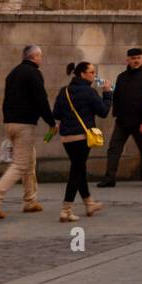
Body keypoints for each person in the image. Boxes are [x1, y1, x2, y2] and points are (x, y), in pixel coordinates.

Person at [0, 44, 55, 220]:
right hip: (24, 124)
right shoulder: (34, 73)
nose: (41, 59)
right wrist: (51, 121)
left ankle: (30, 201)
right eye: (41, 56)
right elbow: (41, 99)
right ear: (35, 56)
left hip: (11, 123)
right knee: (20, 164)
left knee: (30, 161)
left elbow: (7, 99)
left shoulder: (13, 73)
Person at [52, 62, 113, 222]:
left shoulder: (63, 91)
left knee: (79, 169)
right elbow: (104, 112)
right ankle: (66, 209)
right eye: (91, 72)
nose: (94, 75)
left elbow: (56, 113)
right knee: (76, 171)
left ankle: (89, 203)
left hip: (66, 138)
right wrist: (107, 94)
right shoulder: (90, 92)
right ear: (82, 74)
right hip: (82, 138)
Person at [97, 48, 142, 188]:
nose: (136, 60)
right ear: (127, 60)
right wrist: (116, 112)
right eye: (133, 58)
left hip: (140, 121)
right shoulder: (121, 77)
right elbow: (117, 96)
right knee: (113, 149)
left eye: (138, 58)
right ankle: (109, 178)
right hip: (122, 121)